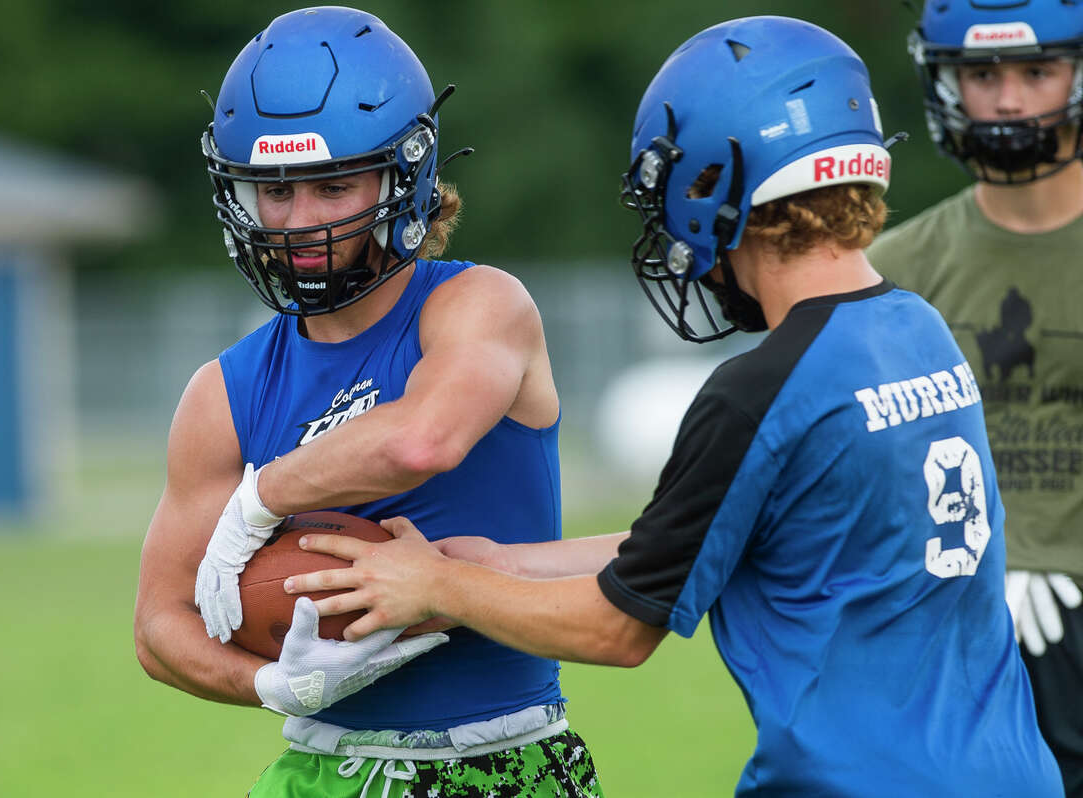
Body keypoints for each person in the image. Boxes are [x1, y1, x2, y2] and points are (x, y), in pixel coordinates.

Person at [285, 16, 1066, 796]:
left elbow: (617, 629)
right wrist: (502, 564)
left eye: (679, 188)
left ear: (720, 188)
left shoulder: (763, 391)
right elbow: (712, 537)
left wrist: (438, 587)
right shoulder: (916, 327)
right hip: (1012, 772)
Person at [132, 7, 604, 797]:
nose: (300, 222)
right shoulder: (223, 391)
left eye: (333, 186)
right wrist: (270, 685)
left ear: (404, 176)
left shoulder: (480, 305)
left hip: (505, 762)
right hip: (319, 768)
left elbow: (423, 440)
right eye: (273, 190)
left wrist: (260, 497)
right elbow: (158, 626)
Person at [867, 2, 1083, 793]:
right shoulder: (895, 270)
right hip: (948, 616)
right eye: (983, 74)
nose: (1009, 99)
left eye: (1038, 70)